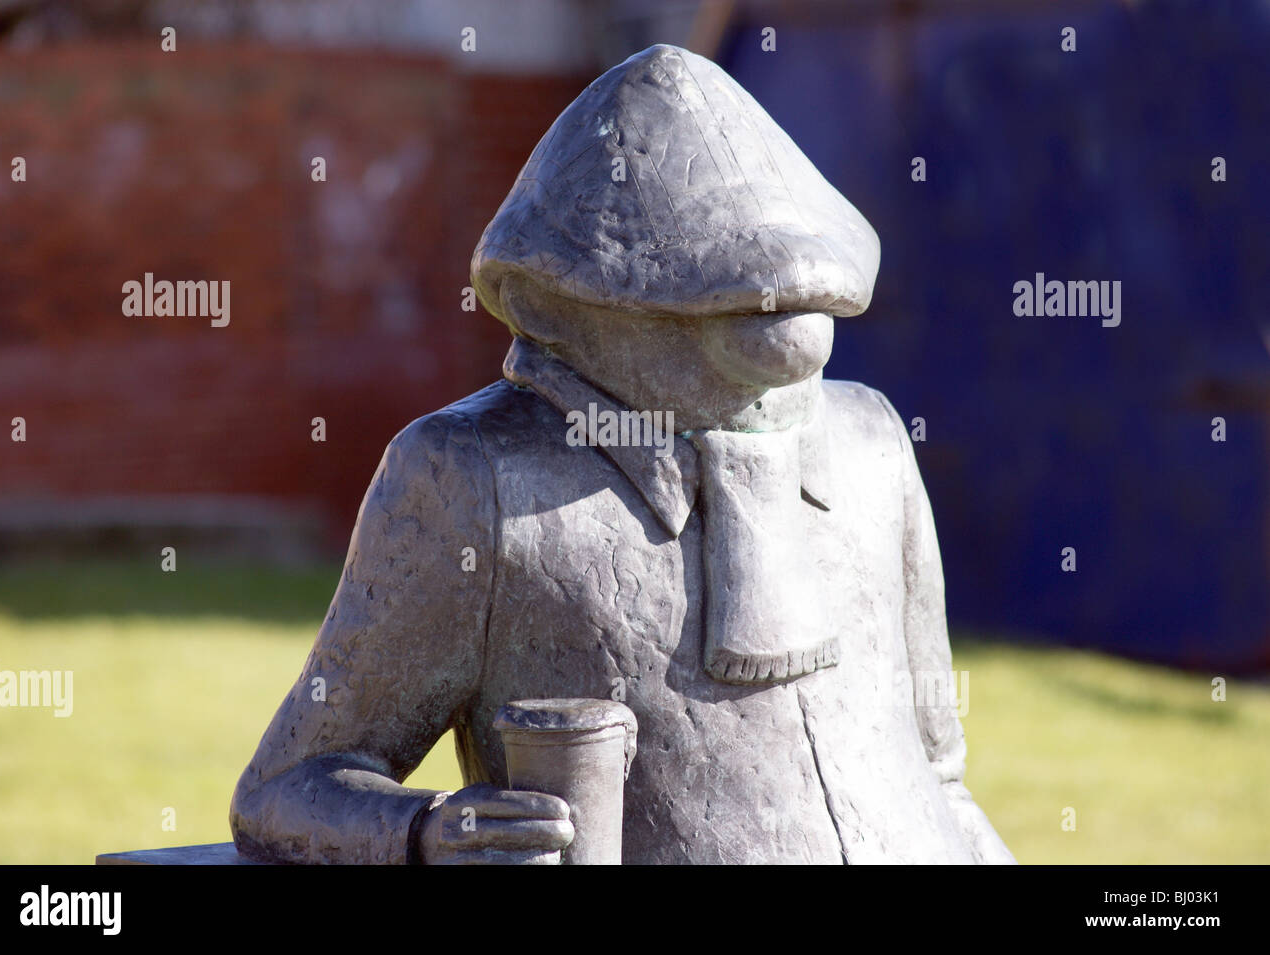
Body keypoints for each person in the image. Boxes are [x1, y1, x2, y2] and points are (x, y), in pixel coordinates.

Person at [230, 44, 1015, 865]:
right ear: (556, 302)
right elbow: (285, 788)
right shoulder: (474, 477)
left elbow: (940, 779)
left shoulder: (869, 446)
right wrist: (432, 830)